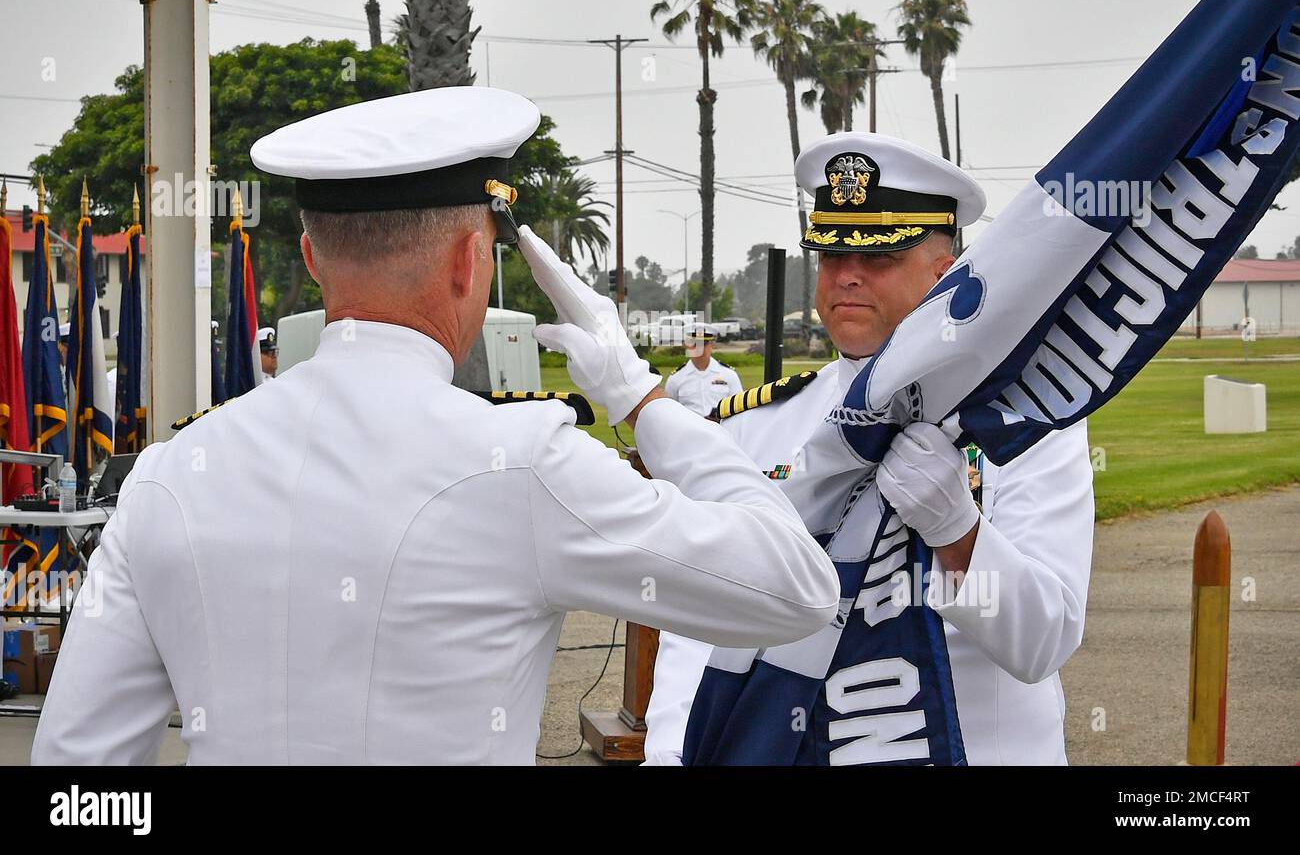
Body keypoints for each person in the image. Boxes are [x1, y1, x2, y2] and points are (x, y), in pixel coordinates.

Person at [32, 86, 838, 765]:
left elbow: (75, 771)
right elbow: (795, 588)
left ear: (312, 260)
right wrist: (642, 403)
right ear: (468, 261)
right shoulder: (524, 464)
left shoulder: (171, 472)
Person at [645, 132, 1095, 766]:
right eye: (830, 254)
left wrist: (959, 534)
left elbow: (1044, 642)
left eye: (879, 256)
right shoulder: (755, 429)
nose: (846, 275)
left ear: (947, 273)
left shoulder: (1026, 424)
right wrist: (668, 755)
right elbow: (702, 624)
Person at [663, 323, 742, 417]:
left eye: (704, 344)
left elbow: (739, 409)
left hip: (720, 429)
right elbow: (670, 413)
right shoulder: (676, 378)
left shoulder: (729, 375)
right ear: (686, 345)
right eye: (695, 344)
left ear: (712, 344)